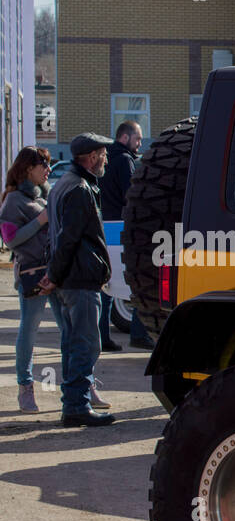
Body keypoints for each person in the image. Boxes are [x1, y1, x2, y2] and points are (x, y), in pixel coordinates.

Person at [46, 132, 117, 427]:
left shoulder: (64, 184)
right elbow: (68, 238)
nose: (106, 159)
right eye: (102, 153)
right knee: (86, 345)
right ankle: (76, 405)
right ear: (90, 157)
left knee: (74, 342)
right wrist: (55, 275)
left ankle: (73, 403)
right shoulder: (78, 188)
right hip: (78, 279)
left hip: (70, 278)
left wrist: (54, 276)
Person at [1, 145, 63, 412]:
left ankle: (83, 385)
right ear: (28, 169)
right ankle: (25, 387)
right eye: (44, 165)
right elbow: (10, 239)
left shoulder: (45, 194)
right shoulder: (13, 200)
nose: (49, 170)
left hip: (57, 272)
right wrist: (41, 220)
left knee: (69, 330)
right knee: (29, 330)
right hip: (33, 275)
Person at [98, 120, 153, 350]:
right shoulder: (124, 161)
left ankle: (102, 335)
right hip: (123, 228)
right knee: (137, 282)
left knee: (107, 287)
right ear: (125, 137)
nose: (140, 143)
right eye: (138, 139)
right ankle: (139, 334)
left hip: (104, 228)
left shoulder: (105, 159)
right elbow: (132, 196)